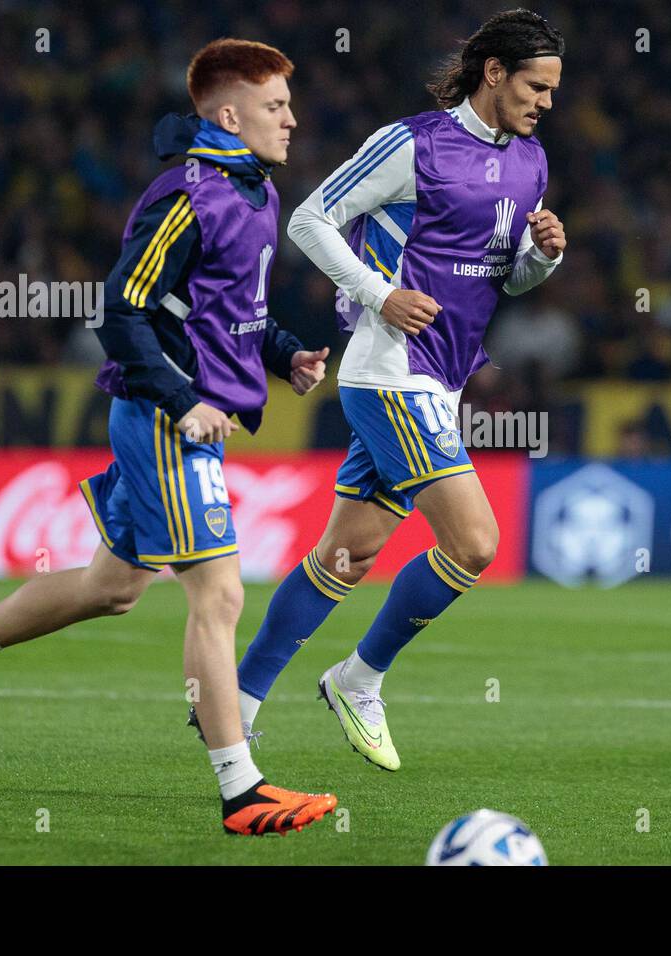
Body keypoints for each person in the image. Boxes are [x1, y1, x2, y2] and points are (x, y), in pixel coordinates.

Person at [0, 38, 337, 836]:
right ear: (229, 116)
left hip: (189, 413)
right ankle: (242, 791)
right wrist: (180, 398)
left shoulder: (256, 193)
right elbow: (121, 310)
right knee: (220, 592)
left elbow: (236, 314)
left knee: (113, 588)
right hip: (168, 417)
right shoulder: (187, 194)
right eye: (276, 107)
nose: (293, 120)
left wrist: (286, 353)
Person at [234, 10, 567, 771]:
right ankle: (359, 677)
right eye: (536, 86)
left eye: (552, 90)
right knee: (476, 542)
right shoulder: (414, 143)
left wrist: (543, 260)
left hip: (441, 383)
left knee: (346, 555)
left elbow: (506, 276)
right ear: (494, 73)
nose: (546, 102)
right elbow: (311, 220)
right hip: (389, 374)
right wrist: (378, 293)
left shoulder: (531, 162)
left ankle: (238, 702)